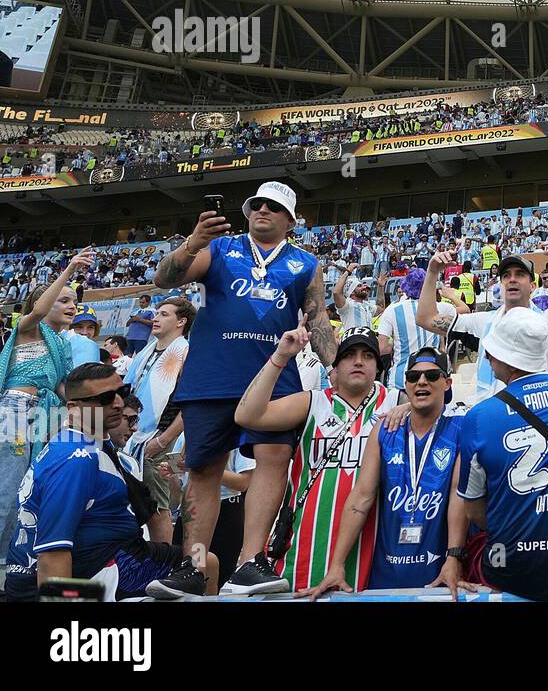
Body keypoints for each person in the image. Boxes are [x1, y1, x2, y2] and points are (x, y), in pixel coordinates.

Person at [146, 181, 335, 598]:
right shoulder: (219, 248)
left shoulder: (306, 263)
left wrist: (334, 367)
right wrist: (191, 243)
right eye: (256, 204)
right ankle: (193, 566)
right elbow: (164, 279)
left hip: (272, 378)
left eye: (273, 206)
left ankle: (251, 562)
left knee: (273, 460)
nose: (262, 210)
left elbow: (318, 319)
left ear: (290, 219)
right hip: (212, 376)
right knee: (204, 469)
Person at [433, 309, 548, 601]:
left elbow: (474, 509)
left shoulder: (480, 417)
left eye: (491, 351)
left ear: (504, 358)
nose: (488, 358)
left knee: (478, 550)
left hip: (514, 569)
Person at [4, 362, 214, 601]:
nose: (118, 403)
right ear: (73, 408)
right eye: (104, 398)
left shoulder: (92, 445)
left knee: (201, 559)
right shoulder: (76, 458)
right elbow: (53, 553)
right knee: (204, 561)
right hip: (89, 574)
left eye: (122, 392)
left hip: (110, 556)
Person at [227, 325, 398, 595]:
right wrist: (280, 357)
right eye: (349, 355)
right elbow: (247, 415)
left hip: (371, 545)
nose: (358, 361)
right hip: (305, 544)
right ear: (336, 366)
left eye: (367, 356)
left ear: (377, 366)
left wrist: (412, 406)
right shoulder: (313, 402)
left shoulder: (396, 403)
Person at [308, 347, 465, 596]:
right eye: (413, 377)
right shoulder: (384, 430)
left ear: (447, 383)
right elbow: (361, 497)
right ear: (406, 384)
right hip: (386, 573)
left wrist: (454, 557)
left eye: (432, 375)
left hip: (440, 571)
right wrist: (336, 565)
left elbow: (459, 495)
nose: (421, 381)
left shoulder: (461, 426)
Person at [417, 244, 548, 402]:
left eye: (520, 274)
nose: (512, 280)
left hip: (538, 420)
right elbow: (425, 319)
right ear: (500, 285)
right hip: (494, 421)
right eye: (506, 276)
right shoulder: (483, 323)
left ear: (533, 286)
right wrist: (432, 272)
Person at [0, 246, 91, 556]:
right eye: (64, 300)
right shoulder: (28, 328)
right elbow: (38, 310)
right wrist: (69, 270)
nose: (72, 306)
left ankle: (10, 560)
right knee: (8, 487)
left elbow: (65, 389)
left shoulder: (61, 344)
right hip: (15, 412)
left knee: (27, 489)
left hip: (44, 418)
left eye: (75, 302)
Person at [122, 296, 194, 543]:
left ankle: (163, 563)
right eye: (157, 313)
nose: (156, 318)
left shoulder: (186, 352)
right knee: (142, 503)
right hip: (136, 436)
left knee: (158, 506)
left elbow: (190, 406)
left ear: (181, 321)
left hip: (162, 438)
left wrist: (163, 440)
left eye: (164, 314)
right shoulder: (146, 351)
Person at [377, 268, 462, 393]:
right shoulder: (439, 308)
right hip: (432, 378)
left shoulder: (392, 310)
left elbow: (382, 348)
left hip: (401, 380)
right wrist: (451, 296)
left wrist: (398, 345)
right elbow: (464, 309)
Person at [333, 264, 376, 329]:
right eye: (359, 286)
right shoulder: (347, 305)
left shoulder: (368, 306)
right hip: (353, 338)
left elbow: (381, 308)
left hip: (368, 338)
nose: (364, 287)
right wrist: (348, 271)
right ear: (351, 291)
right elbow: (336, 293)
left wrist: (381, 287)